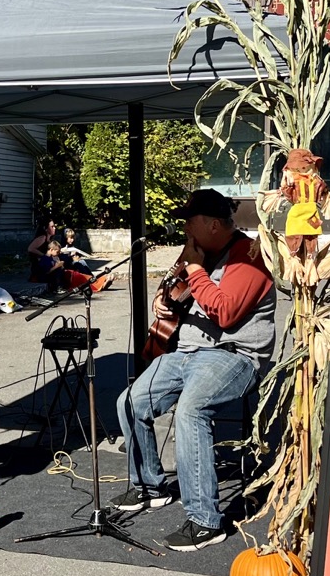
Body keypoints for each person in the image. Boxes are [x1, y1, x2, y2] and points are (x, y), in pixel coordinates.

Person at [112, 189, 276, 552]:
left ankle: (205, 521)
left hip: (234, 355)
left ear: (214, 224)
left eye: (190, 221)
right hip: (186, 350)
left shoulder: (250, 257)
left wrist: (196, 270)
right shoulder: (197, 252)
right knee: (129, 402)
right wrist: (164, 300)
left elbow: (226, 312)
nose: (184, 227)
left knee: (191, 410)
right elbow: (175, 293)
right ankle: (149, 487)